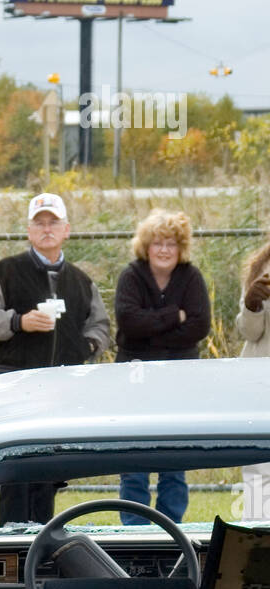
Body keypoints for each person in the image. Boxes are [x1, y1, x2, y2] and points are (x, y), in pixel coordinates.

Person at [0, 192, 110, 525]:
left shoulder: (81, 281)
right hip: (17, 385)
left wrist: (85, 348)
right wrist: (18, 322)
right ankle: (11, 545)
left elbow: (100, 326)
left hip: (64, 390)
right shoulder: (4, 272)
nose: (46, 229)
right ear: (29, 231)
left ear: (66, 230)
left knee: (49, 471)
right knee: (15, 470)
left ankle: (44, 547)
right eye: (39, 223)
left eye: (53, 223)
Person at [115, 209, 211, 526]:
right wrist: (174, 317)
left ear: (180, 247)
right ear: (147, 246)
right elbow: (128, 323)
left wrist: (150, 331)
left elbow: (199, 326)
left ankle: (171, 526)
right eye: (158, 243)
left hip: (180, 381)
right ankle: (134, 528)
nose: (164, 250)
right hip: (135, 380)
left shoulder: (192, 277)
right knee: (135, 456)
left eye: (171, 243)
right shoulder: (131, 276)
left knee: (174, 455)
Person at [235, 239, 270, 518]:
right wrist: (252, 304)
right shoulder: (261, 265)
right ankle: (257, 544)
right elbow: (249, 332)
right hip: (260, 382)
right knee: (260, 466)